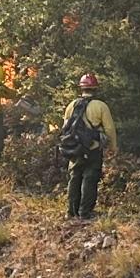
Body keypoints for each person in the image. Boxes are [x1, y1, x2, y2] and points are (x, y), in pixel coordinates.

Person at [58, 73, 120, 220]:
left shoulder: (72, 105)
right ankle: (85, 212)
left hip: (74, 149)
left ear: (81, 88)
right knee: (90, 178)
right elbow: (110, 129)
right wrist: (113, 147)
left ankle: (71, 211)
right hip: (93, 148)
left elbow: (65, 128)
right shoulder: (101, 106)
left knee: (74, 177)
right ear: (95, 88)